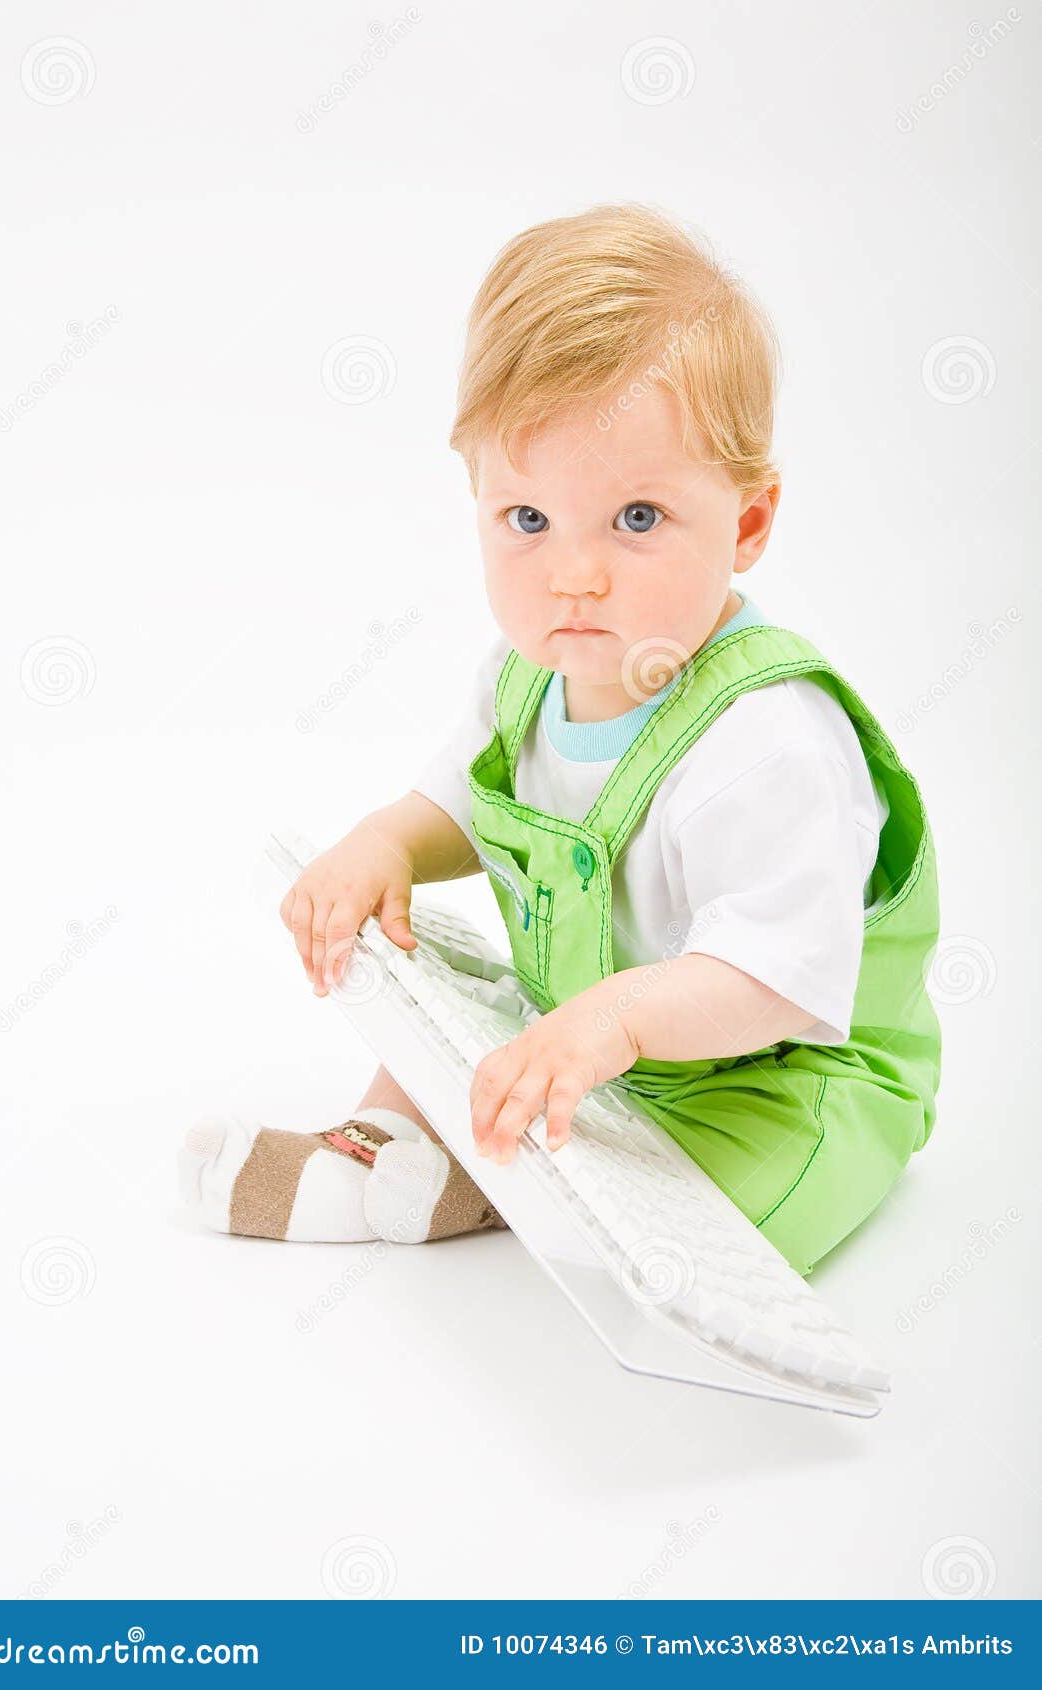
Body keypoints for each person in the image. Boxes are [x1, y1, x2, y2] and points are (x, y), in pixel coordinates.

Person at [181, 203, 941, 1275]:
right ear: (479, 503)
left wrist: (619, 1024)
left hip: (775, 1073)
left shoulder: (766, 743)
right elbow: (464, 793)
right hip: (585, 1034)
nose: (571, 574)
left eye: (635, 518)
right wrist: (385, 847)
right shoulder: (531, 670)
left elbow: (781, 974)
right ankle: (375, 1147)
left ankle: (484, 1183)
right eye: (527, 520)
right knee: (427, 976)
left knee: (704, 1231)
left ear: (749, 522)